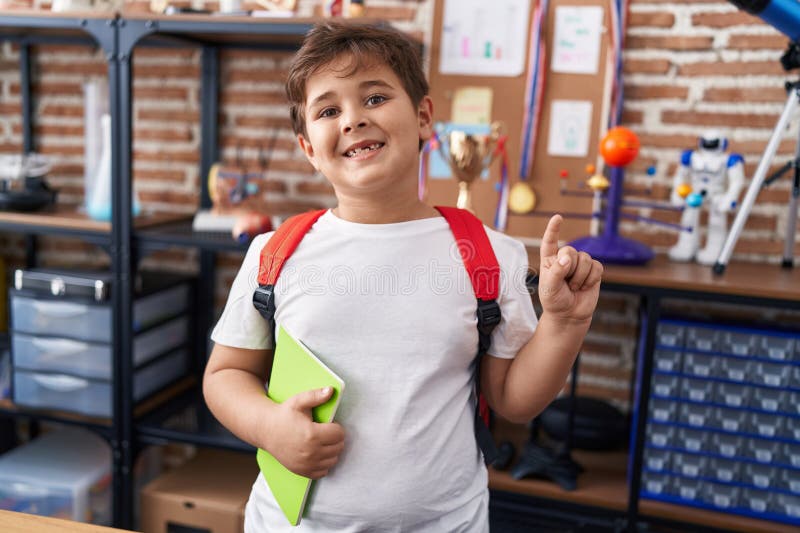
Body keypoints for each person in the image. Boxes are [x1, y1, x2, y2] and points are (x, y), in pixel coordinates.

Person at [203, 21, 603, 532]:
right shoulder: (274, 255)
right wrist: (269, 427)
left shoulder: (490, 255)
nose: (352, 120)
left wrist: (563, 327)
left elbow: (513, 401)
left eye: (374, 98)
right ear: (309, 148)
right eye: (329, 110)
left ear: (423, 118)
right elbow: (224, 376)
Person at [668, 129, 745, 265]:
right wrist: (677, 193)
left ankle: (714, 250)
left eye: (713, 143)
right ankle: (687, 246)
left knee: (716, 222)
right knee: (688, 220)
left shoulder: (728, 160)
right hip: (694, 193)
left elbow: (737, 181)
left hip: (716, 194)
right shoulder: (691, 157)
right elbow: (680, 176)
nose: (709, 145)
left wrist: (730, 198)